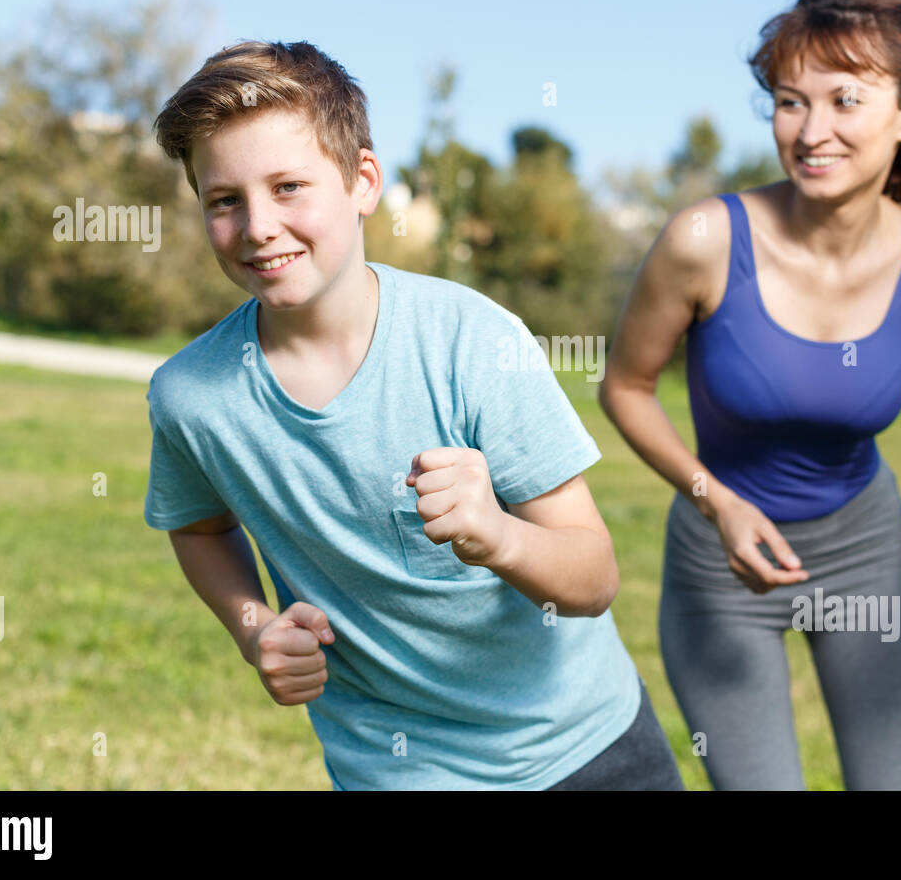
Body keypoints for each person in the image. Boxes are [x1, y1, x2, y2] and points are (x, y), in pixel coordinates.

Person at [143, 40, 683, 790]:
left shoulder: (472, 341)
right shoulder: (190, 395)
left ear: (364, 181)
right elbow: (199, 527)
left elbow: (592, 579)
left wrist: (497, 535)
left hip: (587, 747)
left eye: (290, 187)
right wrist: (253, 627)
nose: (259, 225)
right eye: (225, 200)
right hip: (396, 770)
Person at [598, 0, 901, 790]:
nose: (812, 132)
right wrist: (717, 501)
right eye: (791, 102)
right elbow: (626, 386)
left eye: (845, 100)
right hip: (723, 565)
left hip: (867, 559)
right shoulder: (706, 240)